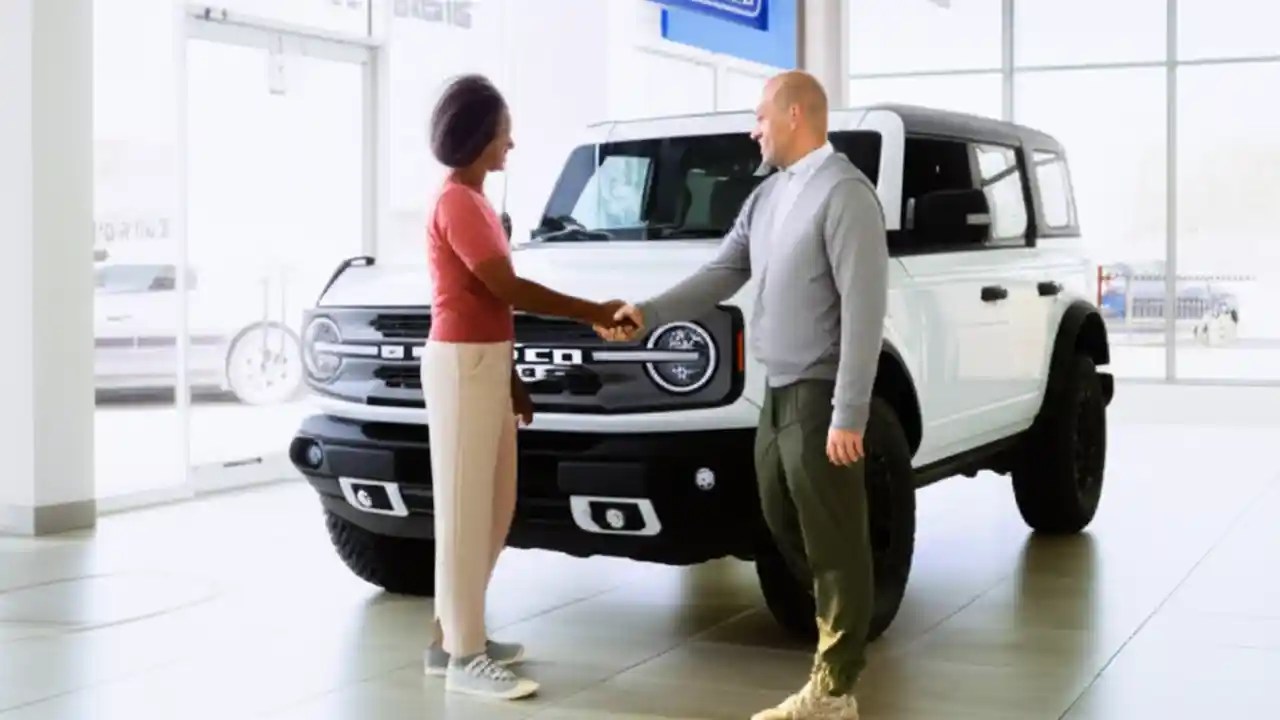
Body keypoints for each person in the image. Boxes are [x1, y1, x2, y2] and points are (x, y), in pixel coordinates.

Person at [596, 71, 888, 720]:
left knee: (835, 542)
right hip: (777, 394)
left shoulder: (846, 196)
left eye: (759, 116)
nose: (752, 128)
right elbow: (721, 272)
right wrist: (643, 313)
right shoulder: (769, 198)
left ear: (792, 115)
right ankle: (836, 648)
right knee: (785, 523)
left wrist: (850, 413)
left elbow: (866, 314)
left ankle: (835, 688)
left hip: (820, 394)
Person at [421, 73, 628, 701]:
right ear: (482, 135)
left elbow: (493, 303)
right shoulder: (456, 200)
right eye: (505, 132)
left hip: (485, 364)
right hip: (460, 366)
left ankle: (453, 636)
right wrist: (593, 310)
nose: (511, 142)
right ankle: (465, 656)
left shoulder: (478, 200)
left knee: (494, 506)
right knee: (464, 515)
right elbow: (504, 289)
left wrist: (510, 378)